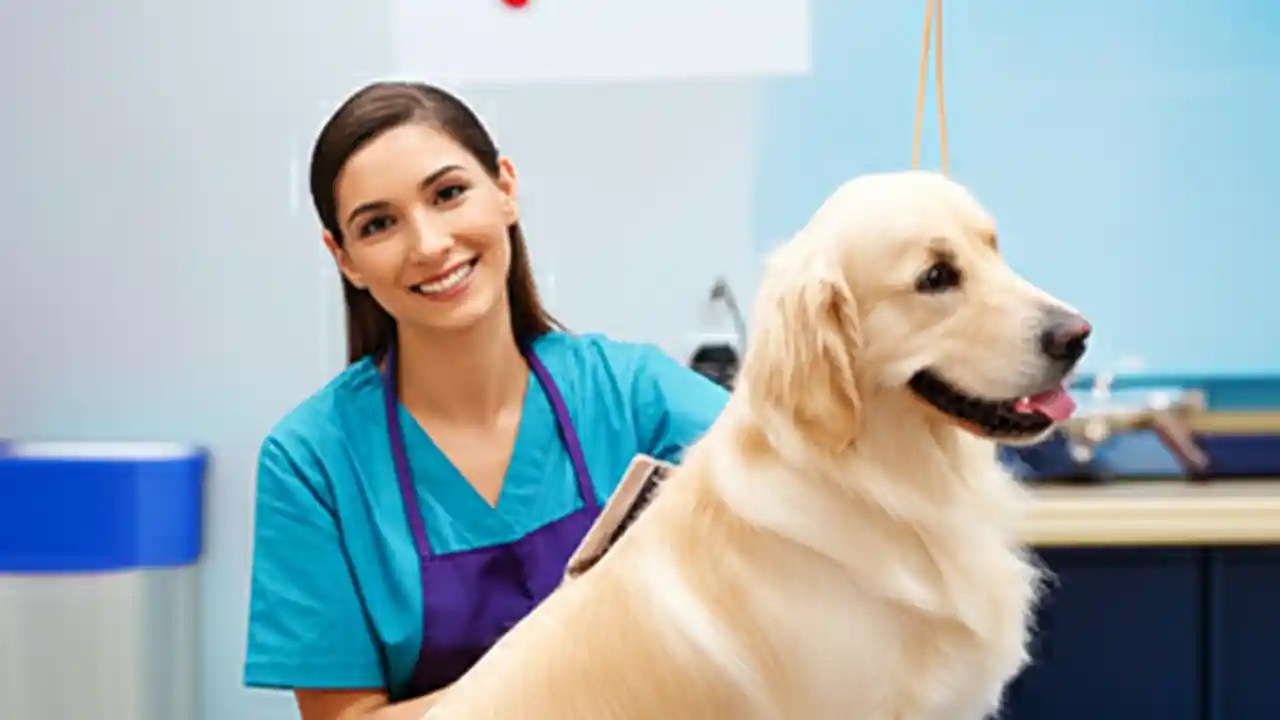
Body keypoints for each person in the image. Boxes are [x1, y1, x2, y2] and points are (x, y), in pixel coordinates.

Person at [242, 81, 730, 719]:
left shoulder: (633, 396)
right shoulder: (312, 463)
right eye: (379, 223)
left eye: (448, 194)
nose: (429, 244)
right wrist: (561, 675)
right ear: (346, 258)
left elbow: (794, 476)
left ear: (504, 187)